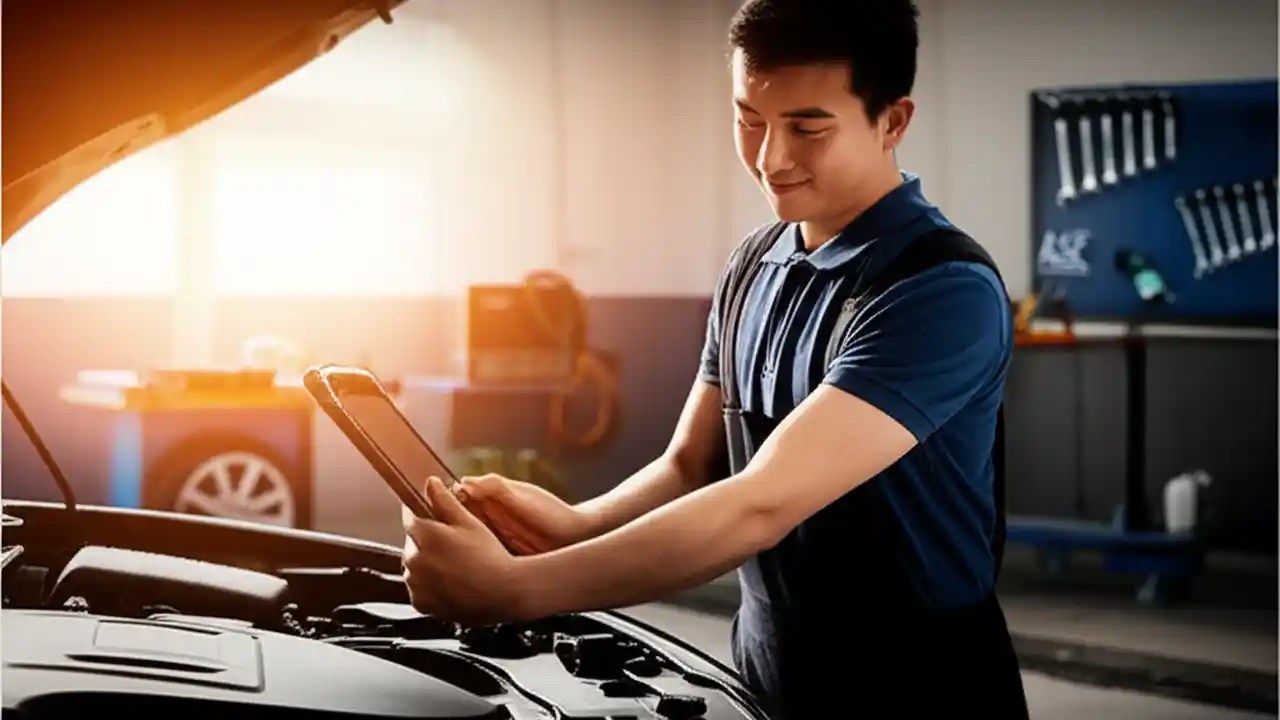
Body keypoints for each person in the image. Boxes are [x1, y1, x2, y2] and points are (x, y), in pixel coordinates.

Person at [401, 0, 1030, 716]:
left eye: (807, 127)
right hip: (767, 669)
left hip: (918, 686)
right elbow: (692, 467)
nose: (770, 159)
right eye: (750, 120)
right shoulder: (752, 264)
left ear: (893, 121)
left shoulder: (940, 288)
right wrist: (573, 527)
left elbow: (757, 504)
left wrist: (516, 591)